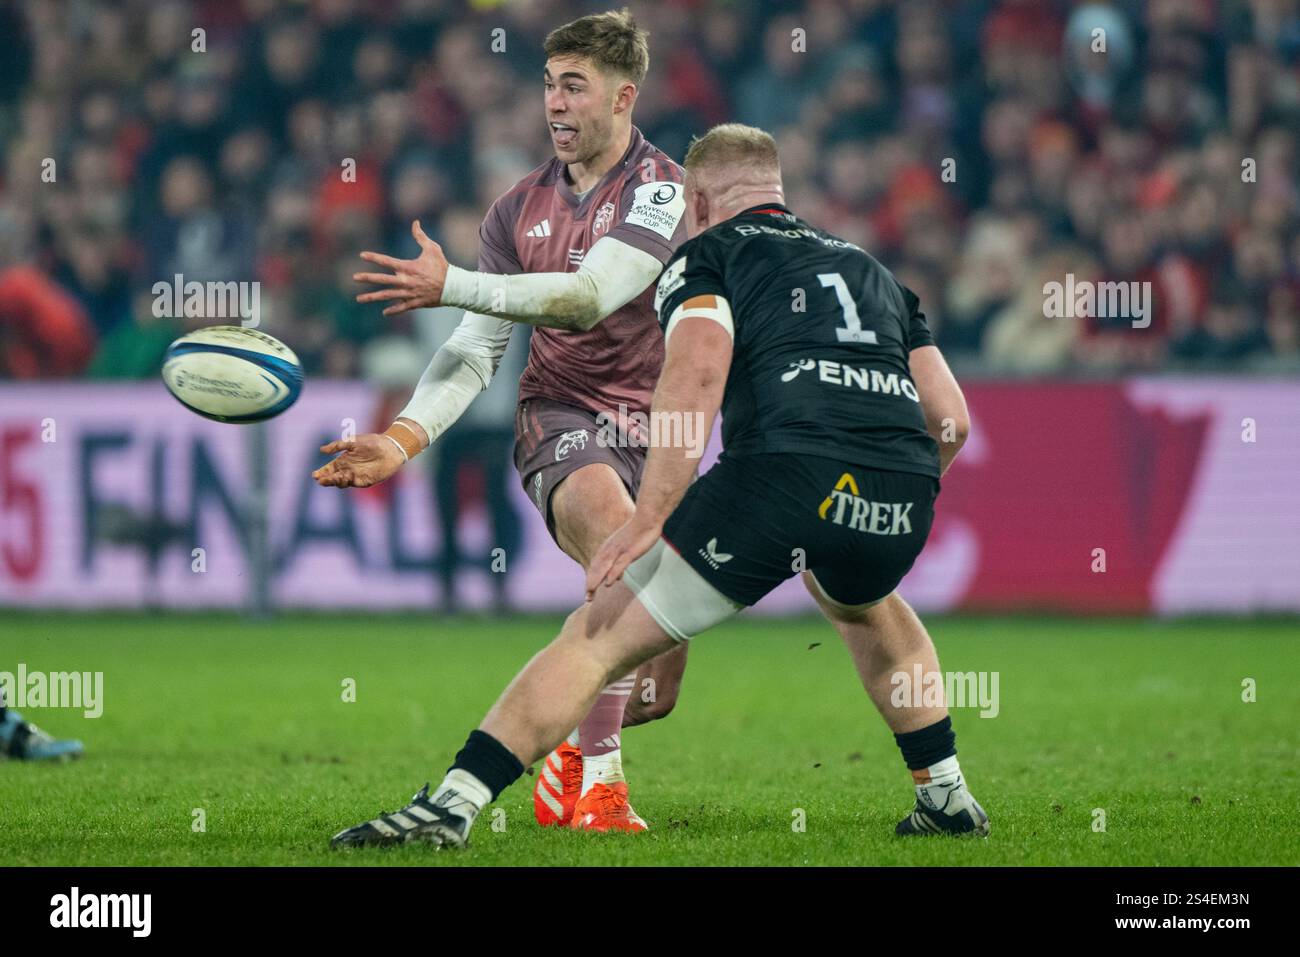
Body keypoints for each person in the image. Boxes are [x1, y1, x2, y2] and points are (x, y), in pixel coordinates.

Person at [327, 123, 989, 850]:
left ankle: (452, 802)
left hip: (781, 474)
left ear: (697, 201)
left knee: (598, 634)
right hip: (900, 487)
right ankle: (947, 793)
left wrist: (651, 518)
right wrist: (896, 488)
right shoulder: (875, 271)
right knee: (868, 609)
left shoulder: (707, 255)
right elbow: (950, 419)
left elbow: (697, 376)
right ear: (777, 189)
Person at [315, 9, 689, 832]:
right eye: (548, 84)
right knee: (627, 557)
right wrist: (402, 437)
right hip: (561, 418)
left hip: (662, 435)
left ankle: (560, 739)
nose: (554, 104)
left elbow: (591, 294)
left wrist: (452, 282)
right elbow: (477, 349)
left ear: (624, 96)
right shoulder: (515, 211)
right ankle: (594, 791)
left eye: (574, 86)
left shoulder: (664, 189)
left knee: (651, 682)